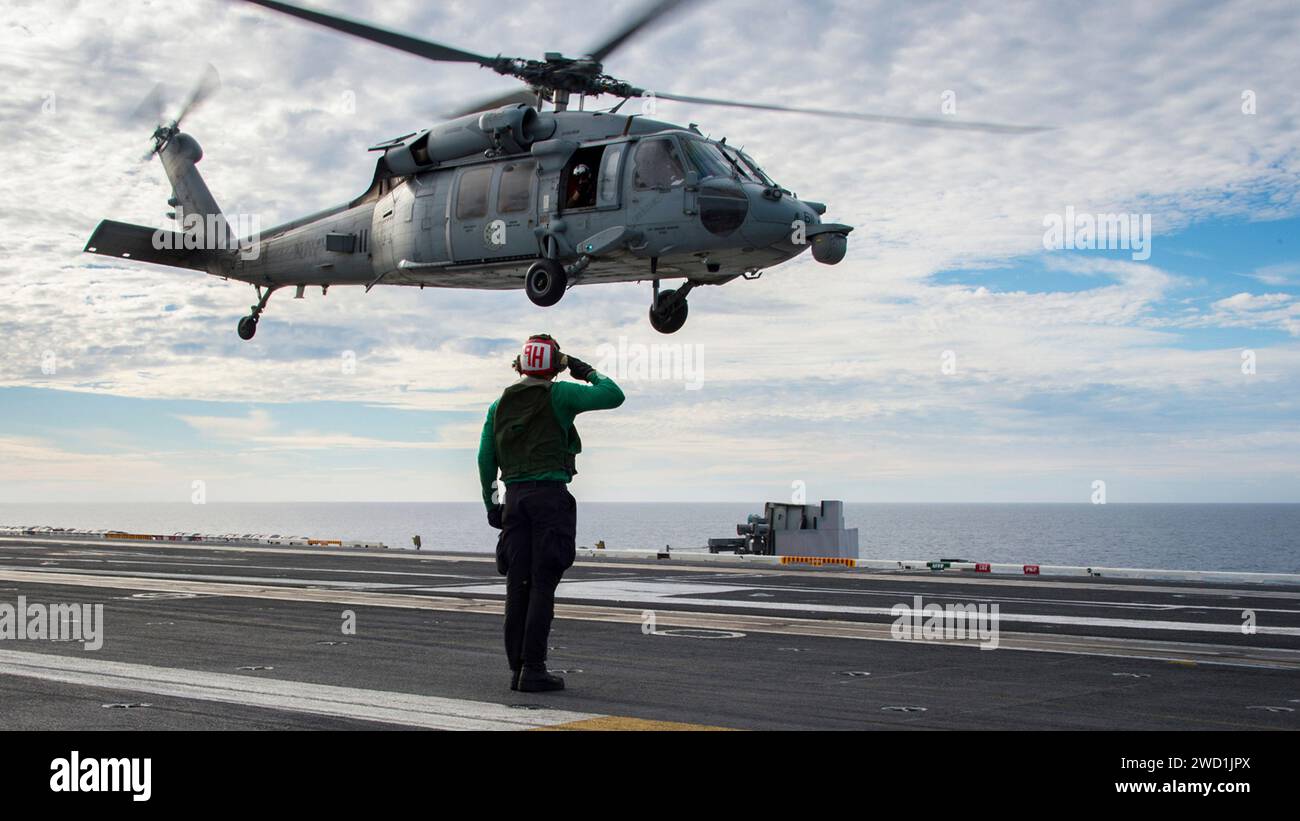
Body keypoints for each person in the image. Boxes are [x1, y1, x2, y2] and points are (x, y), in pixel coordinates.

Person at [477, 334, 624, 692]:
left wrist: (492, 504)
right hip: (550, 499)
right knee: (543, 584)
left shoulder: (499, 405)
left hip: (514, 500)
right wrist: (585, 370)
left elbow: (485, 458)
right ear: (555, 364)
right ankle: (535, 669)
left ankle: (517, 670)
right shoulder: (559, 394)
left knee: (517, 584)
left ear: (520, 364)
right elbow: (613, 395)